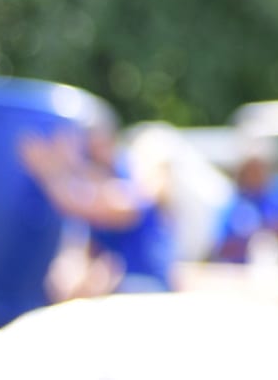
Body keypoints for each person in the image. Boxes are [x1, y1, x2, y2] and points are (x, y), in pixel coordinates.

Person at [16, 123, 175, 296]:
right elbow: (86, 261)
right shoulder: (99, 214)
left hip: (147, 291)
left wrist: (49, 169)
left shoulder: (136, 196)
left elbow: (78, 202)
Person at [210, 148, 278, 266]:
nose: (256, 174)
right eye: (251, 170)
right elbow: (220, 242)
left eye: (260, 169)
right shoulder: (235, 204)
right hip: (237, 269)